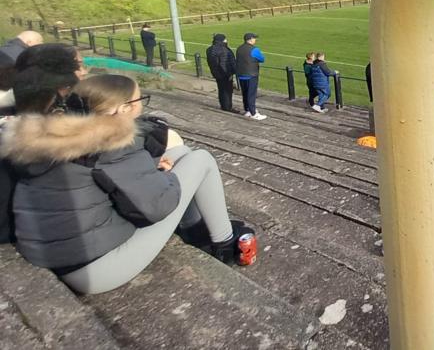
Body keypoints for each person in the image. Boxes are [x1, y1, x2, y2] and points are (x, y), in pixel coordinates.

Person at [0, 74, 255, 295]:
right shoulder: (111, 142)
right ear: (123, 109)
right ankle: (224, 243)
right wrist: (163, 177)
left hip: (51, 251)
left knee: (181, 154)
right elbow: (159, 205)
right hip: (95, 269)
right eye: (139, 100)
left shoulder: (57, 134)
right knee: (201, 159)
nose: (141, 106)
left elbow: (99, 177)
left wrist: (156, 170)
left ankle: (194, 229)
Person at [1, 44, 88, 244]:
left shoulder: (17, 108)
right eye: (78, 66)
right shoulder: (37, 126)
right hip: (18, 228)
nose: (83, 72)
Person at [235, 33, 266, 120]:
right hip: (251, 75)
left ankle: (248, 110)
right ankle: (253, 113)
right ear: (251, 39)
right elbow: (262, 59)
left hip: (241, 74)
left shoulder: (239, 48)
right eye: (254, 38)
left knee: (245, 93)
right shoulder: (254, 49)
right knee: (251, 94)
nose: (255, 40)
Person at [205, 34, 236, 113]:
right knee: (227, 91)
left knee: (221, 90)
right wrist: (230, 73)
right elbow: (225, 64)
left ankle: (224, 105)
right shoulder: (224, 50)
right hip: (225, 74)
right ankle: (227, 107)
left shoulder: (209, 49)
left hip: (216, 74)